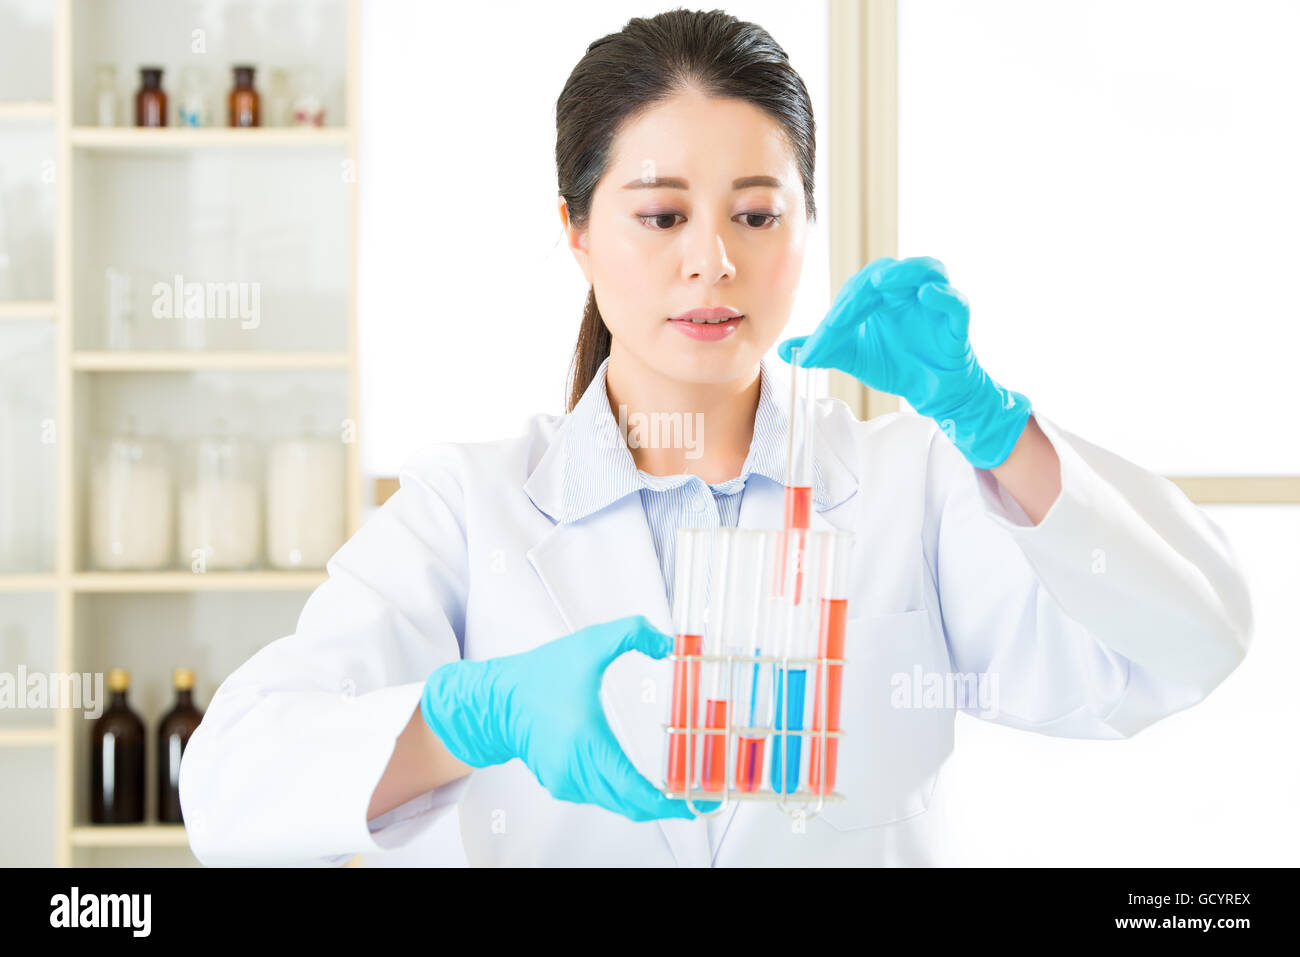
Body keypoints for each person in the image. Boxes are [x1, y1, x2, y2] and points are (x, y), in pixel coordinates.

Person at [179, 9, 1252, 867]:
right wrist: (469, 715)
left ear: (804, 226)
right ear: (576, 230)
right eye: (659, 216)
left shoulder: (908, 490)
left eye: (756, 213)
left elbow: (1192, 643)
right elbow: (229, 790)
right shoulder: (468, 510)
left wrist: (988, 419)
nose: (713, 263)